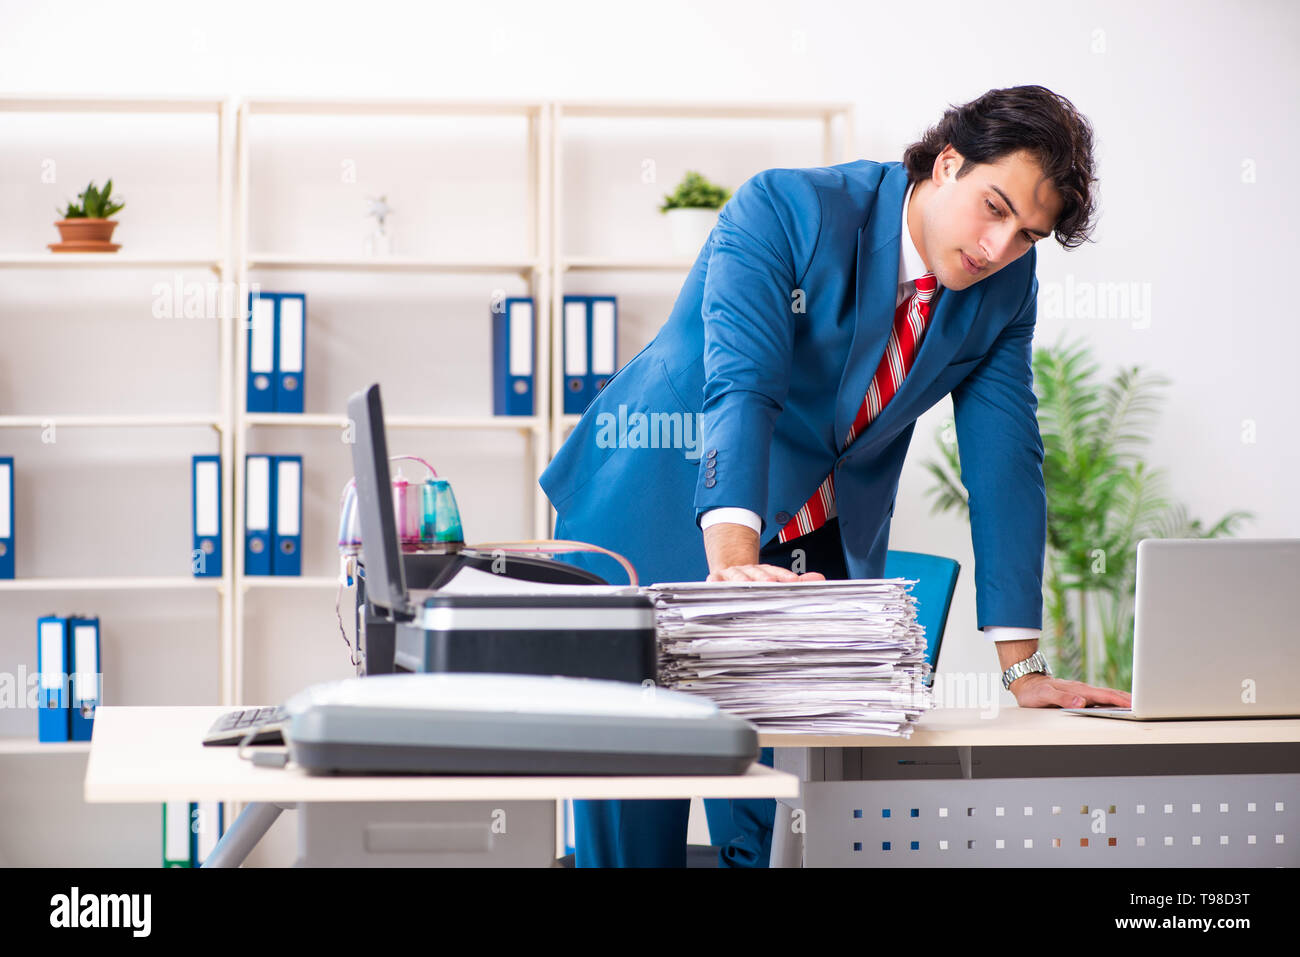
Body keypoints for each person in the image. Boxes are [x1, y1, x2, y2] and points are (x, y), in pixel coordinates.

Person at [540, 85, 1132, 868]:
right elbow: (743, 387)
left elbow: (1006, 462)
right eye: (993, 209)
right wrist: (731, 567)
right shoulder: (787, 208)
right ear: (947, 162)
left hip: (805, 561)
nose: (997, 249)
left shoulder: (1002, 289)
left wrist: (1023, 667)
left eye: (1026, 235)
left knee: (780, 828)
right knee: (637, 815)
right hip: (654, 517)